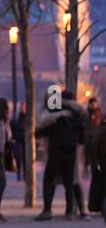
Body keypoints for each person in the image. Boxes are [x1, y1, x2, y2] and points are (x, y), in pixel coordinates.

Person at [35, 89, 87, 220]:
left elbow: (41, 130)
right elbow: (82, 138)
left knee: (49, 181)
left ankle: (47, 210)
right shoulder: (77, 114)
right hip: (71, 154)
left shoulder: (56, 114)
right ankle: (70, 212)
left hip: (55, 153)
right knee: (70, 183)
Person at [10, 104, 27, 182]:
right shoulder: (16, 120)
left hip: (26, 142)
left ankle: (25, 175)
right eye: (23, 108)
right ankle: (19, 174)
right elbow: (12, 130)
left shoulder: (29, 119)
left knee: (25, 159)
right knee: (19, 158)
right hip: (18, 141)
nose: (24, 109)